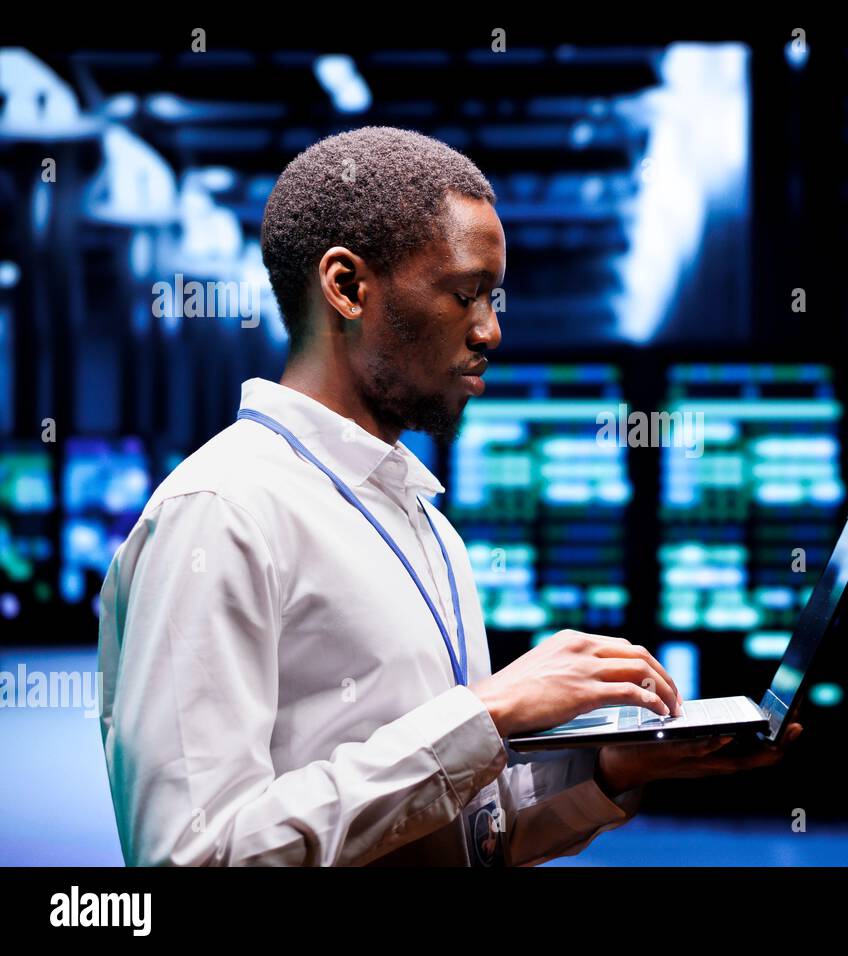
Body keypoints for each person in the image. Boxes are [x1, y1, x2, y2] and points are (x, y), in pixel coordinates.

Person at [97, 126, 801, 867]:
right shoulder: (221, 513)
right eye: (465, 294)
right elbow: (193, 858)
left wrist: (607, 772)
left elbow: (466, 832)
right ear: (347, 287)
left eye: (493, 298)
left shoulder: (424, 524)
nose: (492, 330)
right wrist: (486, 713)